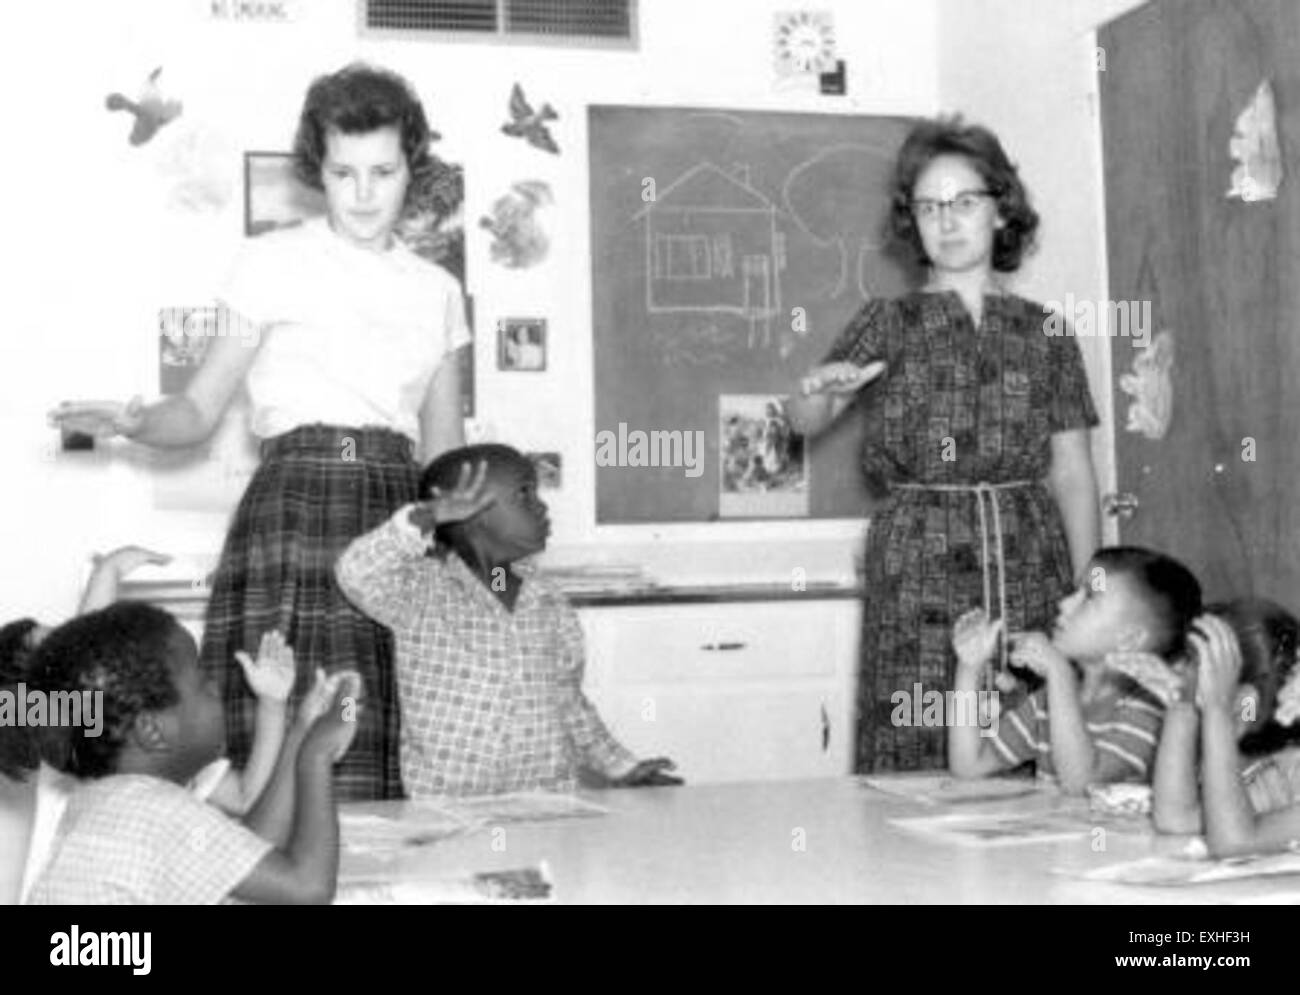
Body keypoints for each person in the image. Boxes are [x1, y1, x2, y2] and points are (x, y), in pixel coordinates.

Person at [48, 63, 469, 800]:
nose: (365, 193)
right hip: (293, 512)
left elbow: (443, 457)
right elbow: (199, 412)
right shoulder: (269, 261)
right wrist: (137, 420)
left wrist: (466, 557)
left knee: (394, 747)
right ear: (317, 169)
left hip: (397, 525)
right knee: (276, 760)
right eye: (344, 172)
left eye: (384, 170)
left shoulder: (437, 291)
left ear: (412, 166)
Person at [786, 116, 1102, 772]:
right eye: (928, 207)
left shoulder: (1049, 333)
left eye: (964, 202)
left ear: (1001, 212)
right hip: (917, 562)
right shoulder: (887, 321)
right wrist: (819, 387)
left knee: (1033, 729)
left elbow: (1073, 473)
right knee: (918, 726)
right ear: (913, 222)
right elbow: (804, 419)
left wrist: (1088, 591)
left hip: (1029, 553)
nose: (946, 220)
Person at [335, 444, 682, 796]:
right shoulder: (421, 592)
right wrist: (429, 515)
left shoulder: (549, 602)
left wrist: (621, 767)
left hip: (545, 804)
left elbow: (568, 701)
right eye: (524, 493)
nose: (542, 506)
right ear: (468, 513)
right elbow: (356, 571)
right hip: (450, 809)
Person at [24, 602, 357, 904]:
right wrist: (318, 754)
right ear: (152, 730)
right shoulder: (154, 811)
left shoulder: (111, 802)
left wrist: (303, 730)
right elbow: (306, 888)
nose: (215, 688)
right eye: (201, 680)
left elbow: (245, 855)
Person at [948, 546, 1202, 795]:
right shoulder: (1048, 701)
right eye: (1074, 592)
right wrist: (970, 667)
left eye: (1089, 597)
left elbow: (1082, 785)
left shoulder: (1150, 711)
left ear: (1128, 640)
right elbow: (969, 764)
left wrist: (1060, 674)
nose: (1065, 604)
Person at [1148, 603, 1300, 855]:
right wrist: (1181, 705)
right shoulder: (1274, 773)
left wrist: (1216, 709)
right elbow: (1177, 818)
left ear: (1245, 704)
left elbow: (1235, 842)